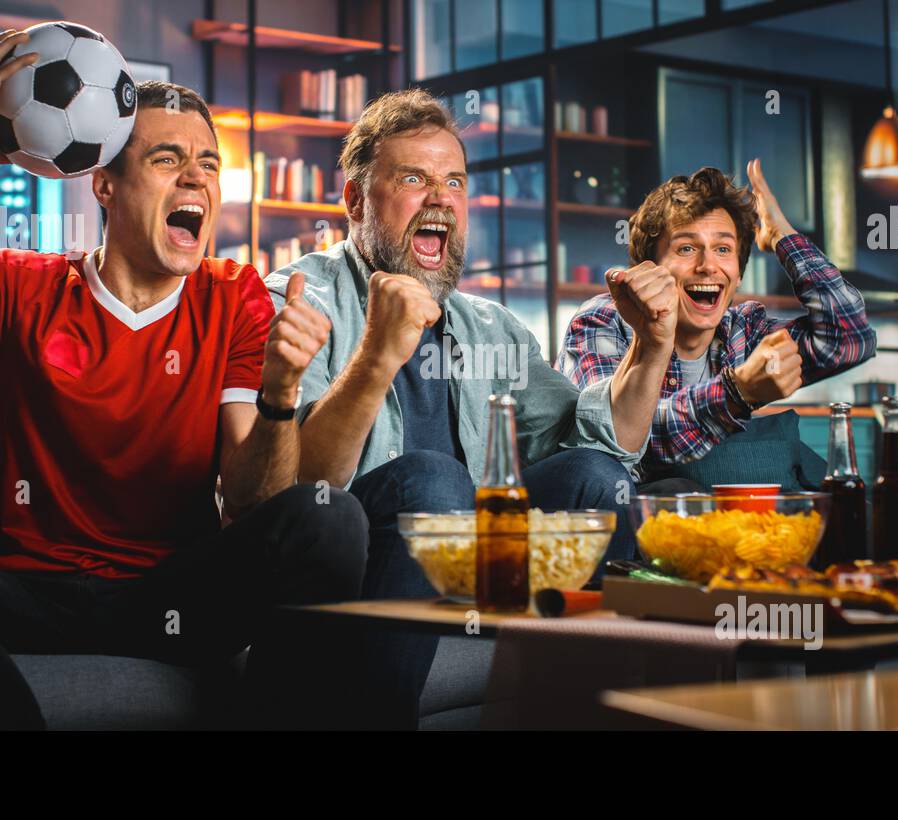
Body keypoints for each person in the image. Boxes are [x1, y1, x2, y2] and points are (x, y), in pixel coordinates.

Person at [0, 29, 366, 729]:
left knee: (329, 518)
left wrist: (280, 394)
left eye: (208, 163)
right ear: (105, 184)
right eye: (168, 159)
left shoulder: (235, 296)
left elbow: (251, 501)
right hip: (22, 595)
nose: (196, 179)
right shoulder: (16, 285)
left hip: (168, 599)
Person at [263, 88, 675, 728]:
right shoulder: (299, 297)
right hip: (362, 561)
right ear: (353, 201)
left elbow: (603, 444)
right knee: (434, 476)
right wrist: (376, 355)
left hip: (482, 564)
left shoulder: (492, 327)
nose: (439, 199)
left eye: (453, 182)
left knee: (600, 478)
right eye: (412, 179)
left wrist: (650, 349)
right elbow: (301, 484)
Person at [556, 163, 877, 488]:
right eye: (686, 248)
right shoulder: (604, 321)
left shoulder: (743, 331)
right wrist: (736, 393)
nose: (708, 265)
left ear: (738, 274)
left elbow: (847, 337)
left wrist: (783, 237)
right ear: (649, 270)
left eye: (723, 249)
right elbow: (617, 444)